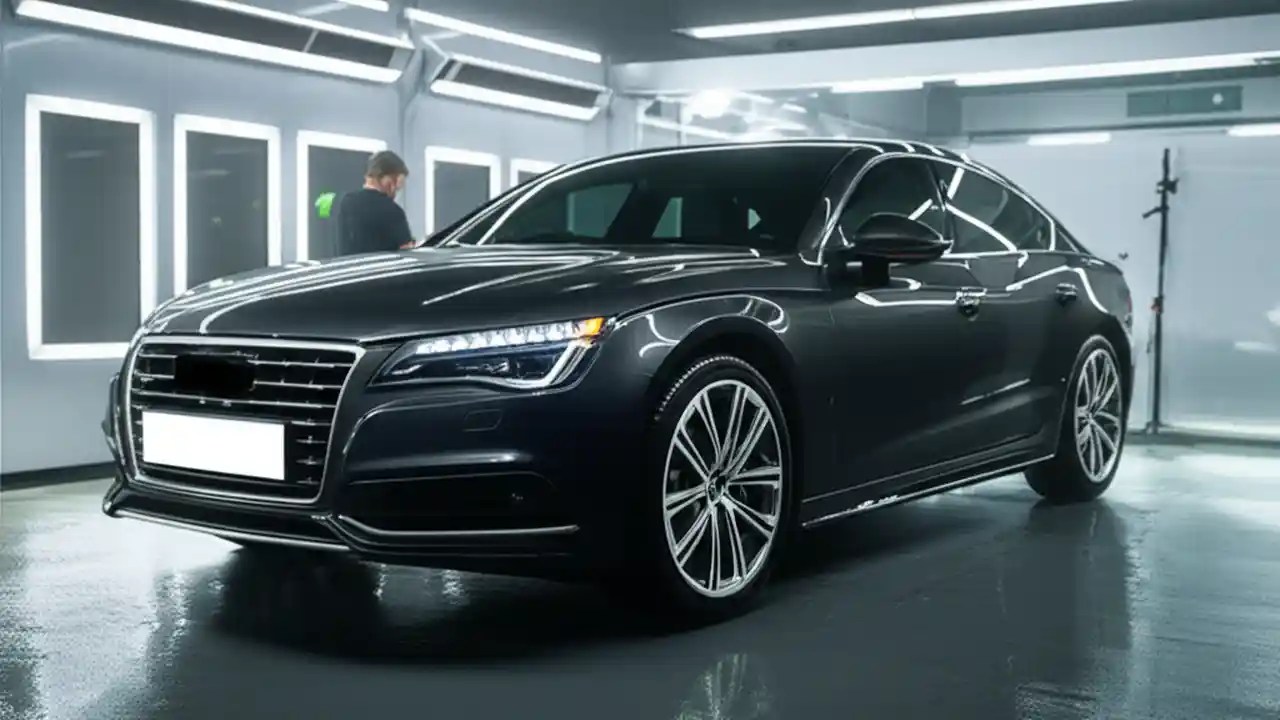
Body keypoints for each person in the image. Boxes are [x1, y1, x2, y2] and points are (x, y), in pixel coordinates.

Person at [336, 150, 416, 255]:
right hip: (384, 270)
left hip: (349, 269)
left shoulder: (346, 203)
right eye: (396, 184)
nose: (395, 190)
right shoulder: (393, 211)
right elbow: (407, 252)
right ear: (388, 179)